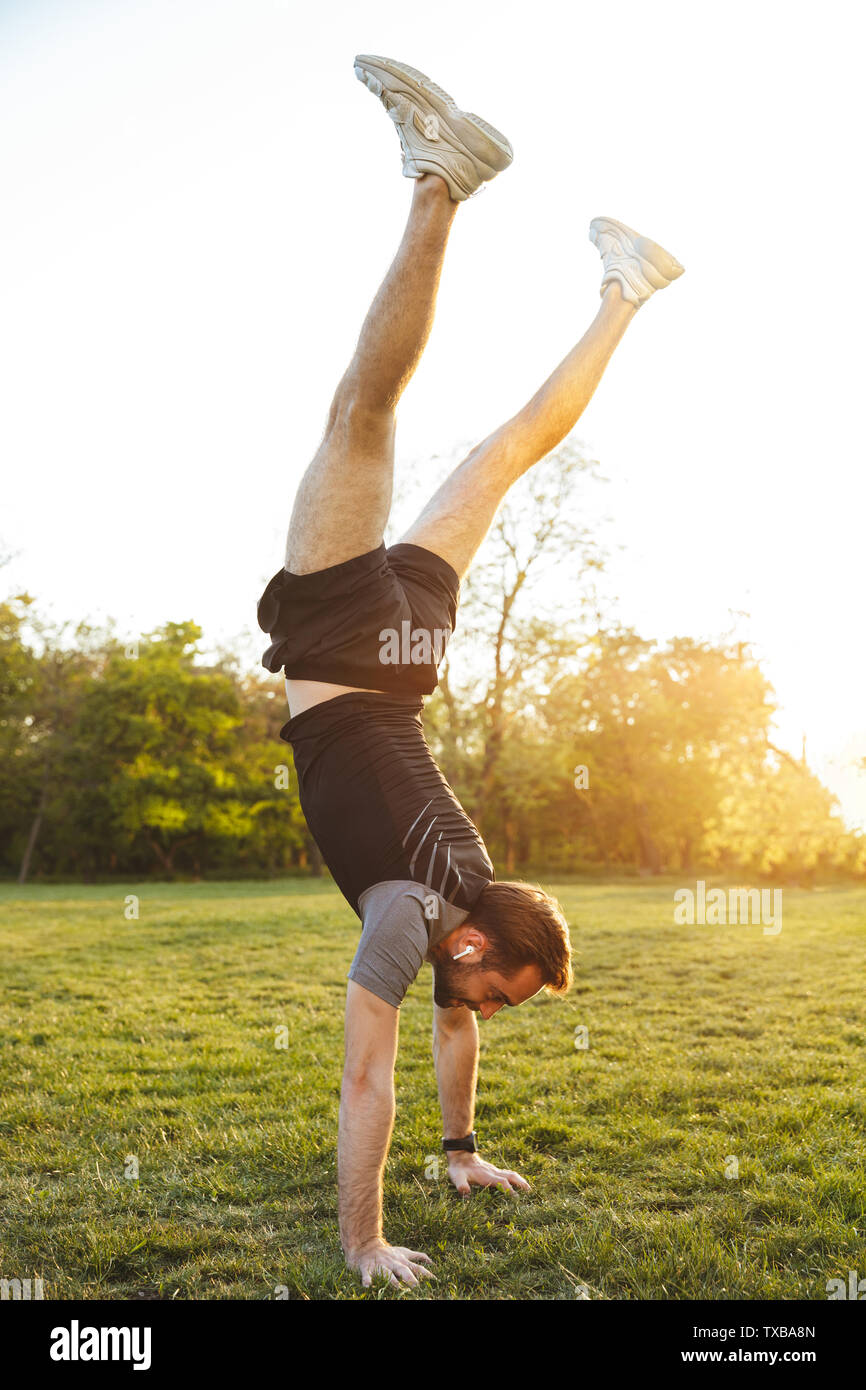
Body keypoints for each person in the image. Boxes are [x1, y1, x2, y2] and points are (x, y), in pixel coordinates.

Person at [257, 53, 684, 1288]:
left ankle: (623, 290)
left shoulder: (469, 902)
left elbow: (446, 1033)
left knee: (498, 458)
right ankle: (442, 177)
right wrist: (361, 1240)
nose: (487, 1013)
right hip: (352, 655)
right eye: (499, 992)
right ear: (474, 945)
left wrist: (461, 1151)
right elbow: (362, 1072)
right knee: (364, 415)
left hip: (403, 660)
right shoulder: (411, 916)